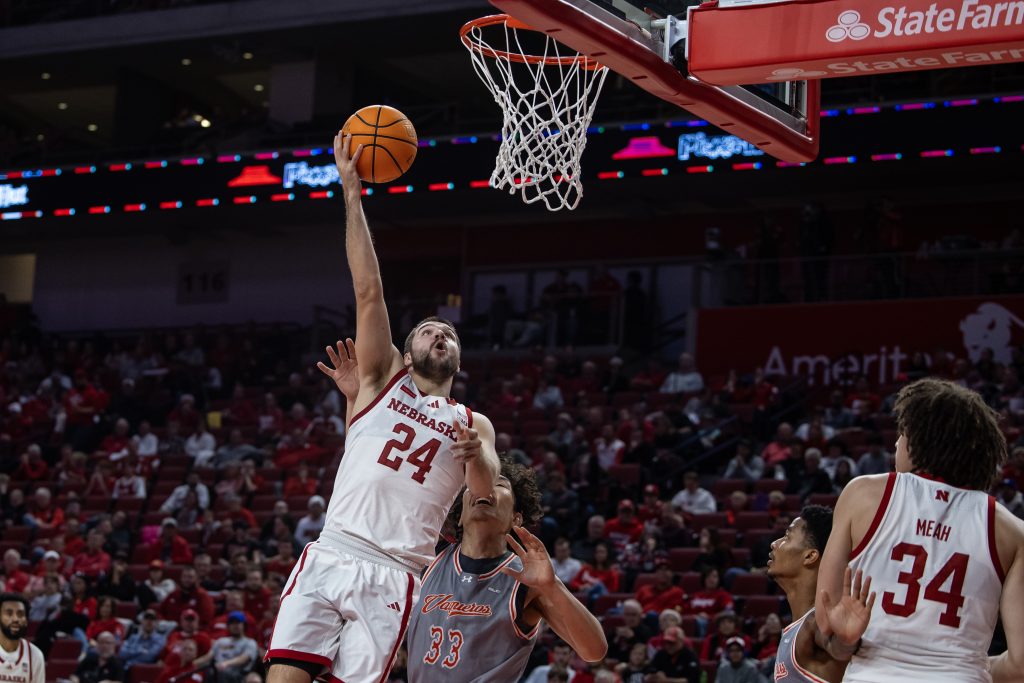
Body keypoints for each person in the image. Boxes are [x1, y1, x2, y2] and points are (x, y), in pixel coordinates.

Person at [265, 131, 501, 683]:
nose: (440, 334)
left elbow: (486, 496)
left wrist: (476, 458)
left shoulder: (473, 423)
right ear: (407, 351)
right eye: (428, 330)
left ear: (458, 359)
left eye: (448, 334)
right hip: (332, 550)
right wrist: (351, 192)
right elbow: (368, 289)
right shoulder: (379, 381)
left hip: (395, 571)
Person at [815, 378, 1024, 682]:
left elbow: (827, 624)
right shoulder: (1012, 531)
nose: (896, 443)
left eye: (902, 433)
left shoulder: (863, 494)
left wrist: (846, 643)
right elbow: (1020, 665)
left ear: (919, 440)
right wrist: (968, 669)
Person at [407, 458, 606, 681]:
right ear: (460, 514)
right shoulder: (429, 559)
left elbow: (594, 651)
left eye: (498, 484)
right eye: (475, 484)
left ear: (516, 518)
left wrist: (552, 587)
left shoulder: (528, 580)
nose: (484, 488)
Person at [767, 506, 874, 682]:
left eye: (787, 536)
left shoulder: (816, 623)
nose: (774, 543)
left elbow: (837, 648)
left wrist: (846, 639)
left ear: (810, 556)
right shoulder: (801, 625)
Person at [195, 612, 258, 683]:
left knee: (223, 673)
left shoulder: (250, 642)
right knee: (207, 671)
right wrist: (192, 664)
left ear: (244, 625)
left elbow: (244, 658)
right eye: (232, 623)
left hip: (238, 673)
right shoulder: (221, 641)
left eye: (238, 623)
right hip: (216, 671)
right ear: (228, 626)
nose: (235, 626)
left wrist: (226, 663)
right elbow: (208, 657)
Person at [0, 593, 44, 683]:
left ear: (26, 621)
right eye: (9, 613)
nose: (15, 619)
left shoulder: (35, 655)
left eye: (20, 614)